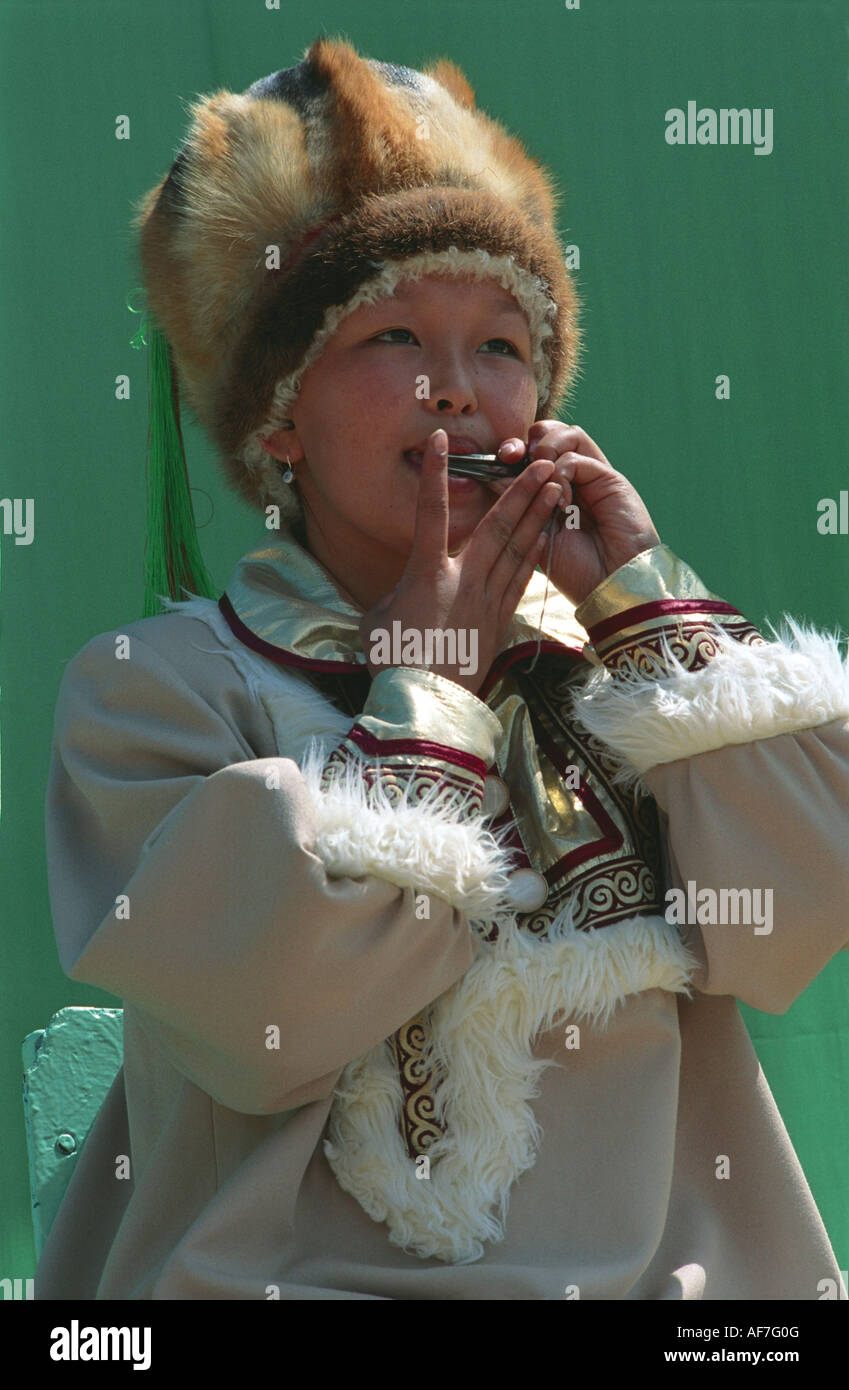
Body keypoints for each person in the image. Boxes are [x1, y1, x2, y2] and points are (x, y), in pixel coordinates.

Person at [35, 37, 849, 1300]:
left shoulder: (624, 679)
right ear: (281, 422)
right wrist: (434, 687)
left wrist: (643, 597)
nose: (457, 392)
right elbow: (271, 1023)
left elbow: (797, 914)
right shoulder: (160, 689)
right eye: (398, 336)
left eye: (505, 349)